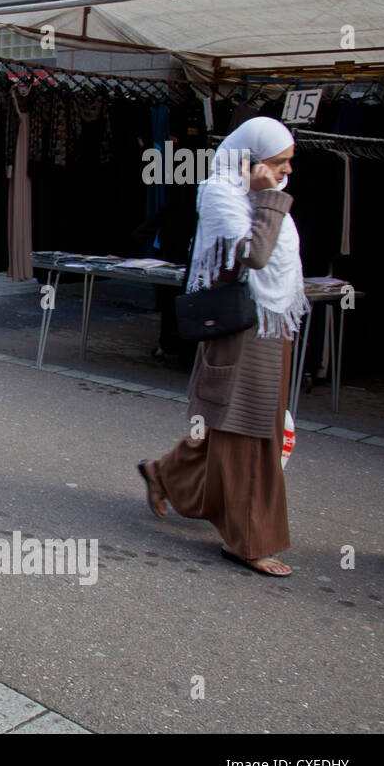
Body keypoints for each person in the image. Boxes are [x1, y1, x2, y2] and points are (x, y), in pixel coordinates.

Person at [137, 117, 308, 577]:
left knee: (247, 426)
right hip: (239, 324)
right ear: (250, 160)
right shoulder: (220, 192)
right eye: (279, 163)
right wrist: (268, 197)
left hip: (272, 321)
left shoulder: (255, 193)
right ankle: (247, 541)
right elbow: (253, 254)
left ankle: (164, 472)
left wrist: (267, 194)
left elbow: (279, 258)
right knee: (243, 433)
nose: (286, 172)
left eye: (289, 163)